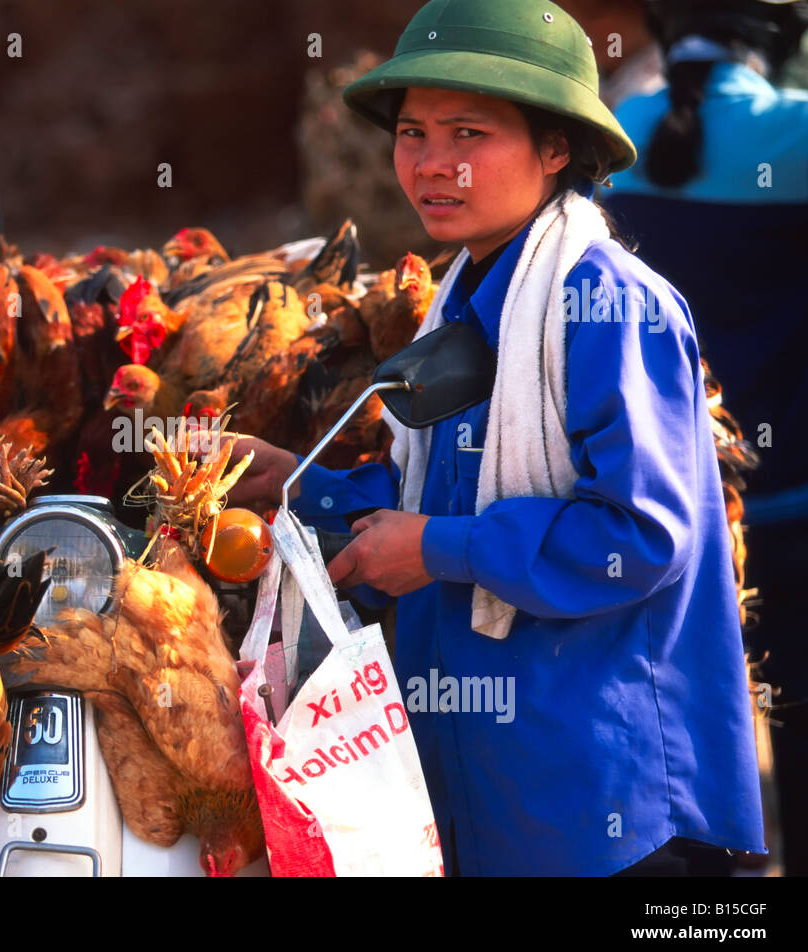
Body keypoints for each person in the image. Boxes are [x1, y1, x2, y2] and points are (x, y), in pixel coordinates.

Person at [224, 0, 765, 875]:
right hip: (493, 798)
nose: (433, 165)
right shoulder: (466, 302)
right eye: (412, 133)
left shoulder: (607, 305)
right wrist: (298, 483)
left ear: (557, 149)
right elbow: (432, 501)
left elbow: (643, 535)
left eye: (468, 133)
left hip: (606, 807)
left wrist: (443, 551)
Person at [603, 0, 808, 876]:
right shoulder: (803, 133)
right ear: (782, 36)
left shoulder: (610, 138)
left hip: (665, 518)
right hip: (802, 506)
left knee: (687, 747)